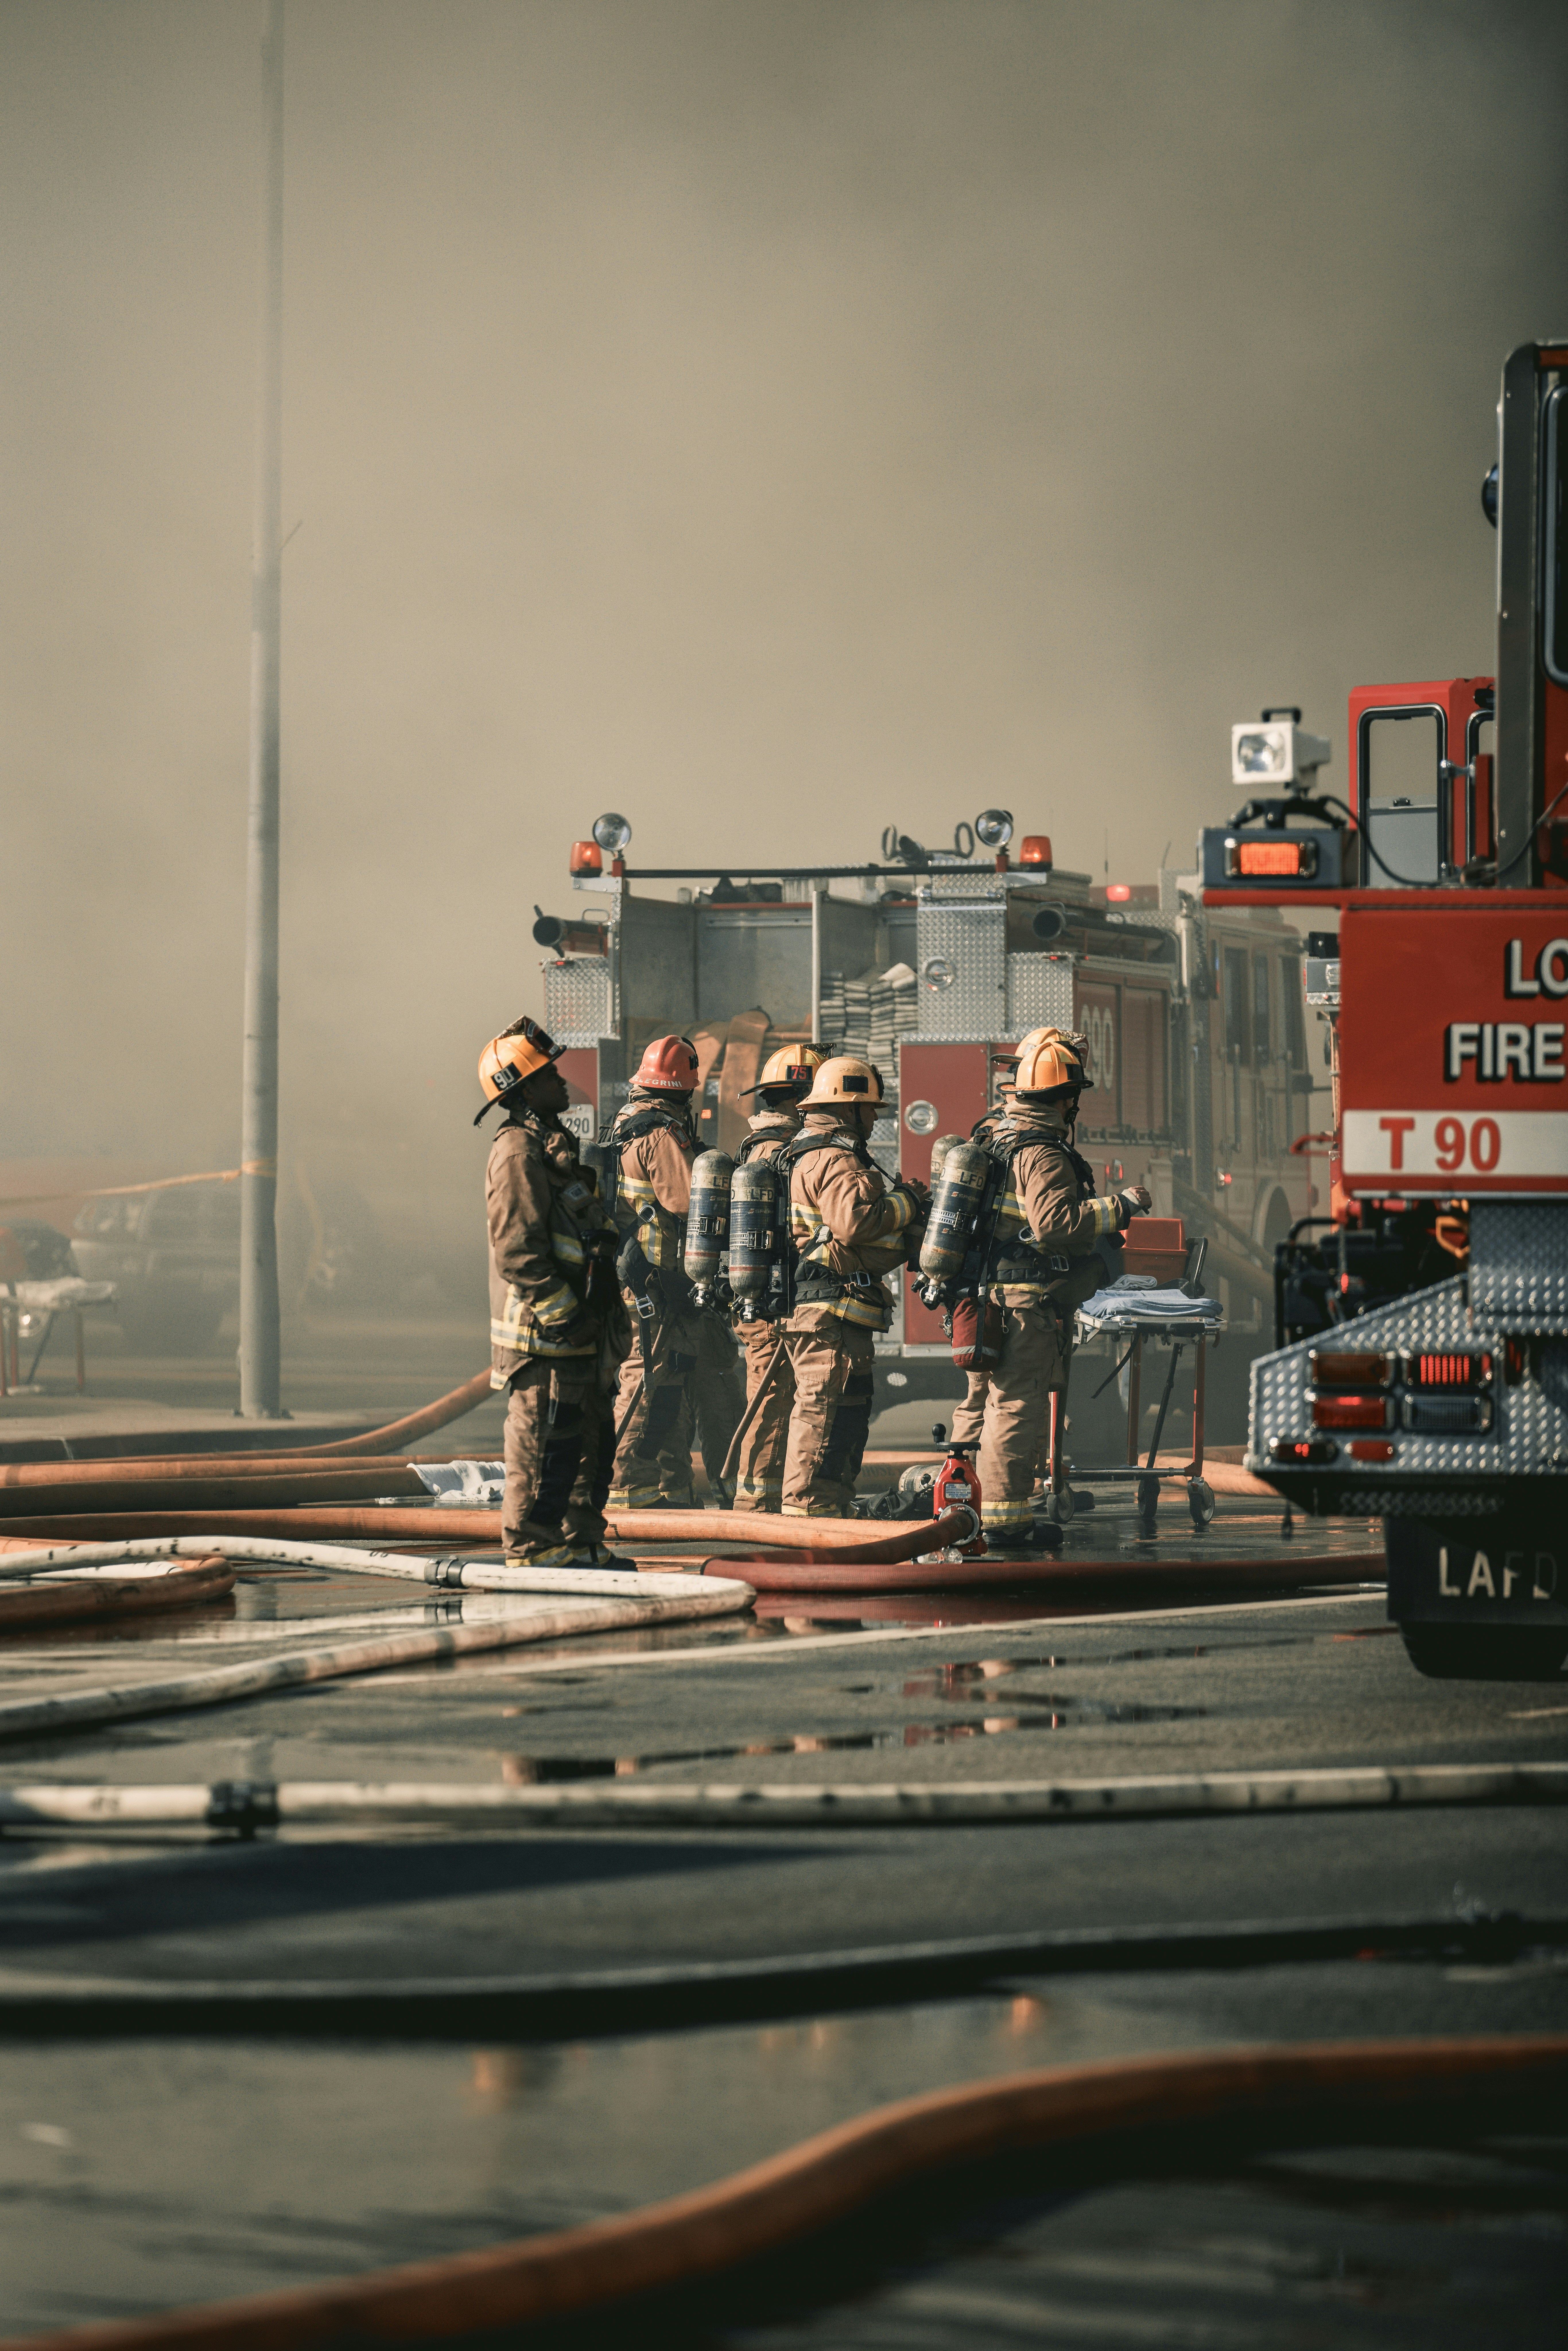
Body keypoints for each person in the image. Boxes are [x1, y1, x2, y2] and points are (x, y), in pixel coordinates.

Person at [975, 1027, 1149, 1547]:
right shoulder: (1042, 1152)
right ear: (1067, 1098)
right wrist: (1120, 1207)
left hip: (1000, 1295)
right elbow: (1054, 1225)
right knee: (1017, 1403)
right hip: (1026, 1298)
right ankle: (1005, 1522)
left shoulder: (997, 1137)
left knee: (999, 1402)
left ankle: (991, 1504)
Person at [476, 1015, 631, 1567]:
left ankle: (581, 1541)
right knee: (544, 1447)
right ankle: (532, 1549)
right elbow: (517, 1249)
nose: (561, 1081)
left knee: (588, 1446)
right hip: (546, 1336)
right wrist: (566, 1317)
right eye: (548, 1075)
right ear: (521, 1091)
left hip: (580, 1334)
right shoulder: (517, 1152)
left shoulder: (553, 1146)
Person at [779, 1057, 929, 1517]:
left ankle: (829, 1504)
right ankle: (809, 1508)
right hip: (831, 1310)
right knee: (824, 1413)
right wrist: (907, 1200)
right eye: (870, 1108)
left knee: (842, 1413)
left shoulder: (807, 1151)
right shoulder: (835, 1157)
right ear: (850, 1109)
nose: (877, 1117)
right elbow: (854, 1222)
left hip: (831, 1310)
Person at [605, 1034, 707, 1509]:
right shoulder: (662, 1134)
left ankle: (670, 1486)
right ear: (684, 1089)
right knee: (646, 1380)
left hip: (640, 1276)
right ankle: (629, 1485)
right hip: (654, 1277)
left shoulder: (625, 1122)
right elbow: (687, 1201)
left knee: (666, 1380)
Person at [728, 1044, 822, 1512]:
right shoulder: (780, 1153)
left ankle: (761, 1500)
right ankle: (754, 1505)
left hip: (766, 1293)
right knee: (769, 1399)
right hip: (772, 1299)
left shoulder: (761, 1147)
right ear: (800, 1097)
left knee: (775, 1397)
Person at [947, 1058, 1018, 1449]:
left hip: (972, 1297)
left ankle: (960, 1478)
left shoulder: (979, 1146)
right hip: (1008, 1296)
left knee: (977, 1395)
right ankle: (997, 1487)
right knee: (1012, 1399)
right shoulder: (1024, 1148)